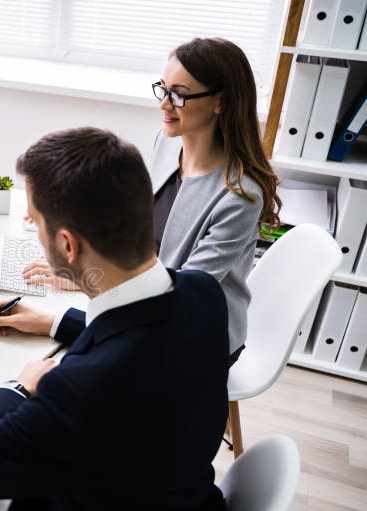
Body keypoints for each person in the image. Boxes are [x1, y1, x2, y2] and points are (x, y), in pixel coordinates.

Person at [0, 128, 230, 511]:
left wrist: (18, 385)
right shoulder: (203, 294)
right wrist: (55, 321)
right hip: (175, 505)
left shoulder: (81, 393)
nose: (31, 225)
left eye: (35, 221)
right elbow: (144, 331)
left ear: (68, 245)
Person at [23, 38, 281, 366]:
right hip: (149, 305)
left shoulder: (240, 196)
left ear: (220, 102)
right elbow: (133, 224)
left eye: (180, 94)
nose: (164, 104)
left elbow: (177, 299)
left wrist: (85, 284)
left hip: (198, 331)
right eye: (164, 88)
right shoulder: (169, 143)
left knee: (74, 375)